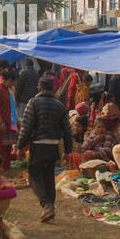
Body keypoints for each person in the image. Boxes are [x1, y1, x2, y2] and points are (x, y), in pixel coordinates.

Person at [15, 74, 74, 223]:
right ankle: (50, 207)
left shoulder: (33, 103)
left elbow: (26, 127)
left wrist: (19, 146)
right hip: (53, 146)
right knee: (48, 177)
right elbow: (67, 131)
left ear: (40, 88)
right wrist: (68, 151)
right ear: (53, 88)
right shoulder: (60, 105)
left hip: (38, 145)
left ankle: (47, 205)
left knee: (34, 176)